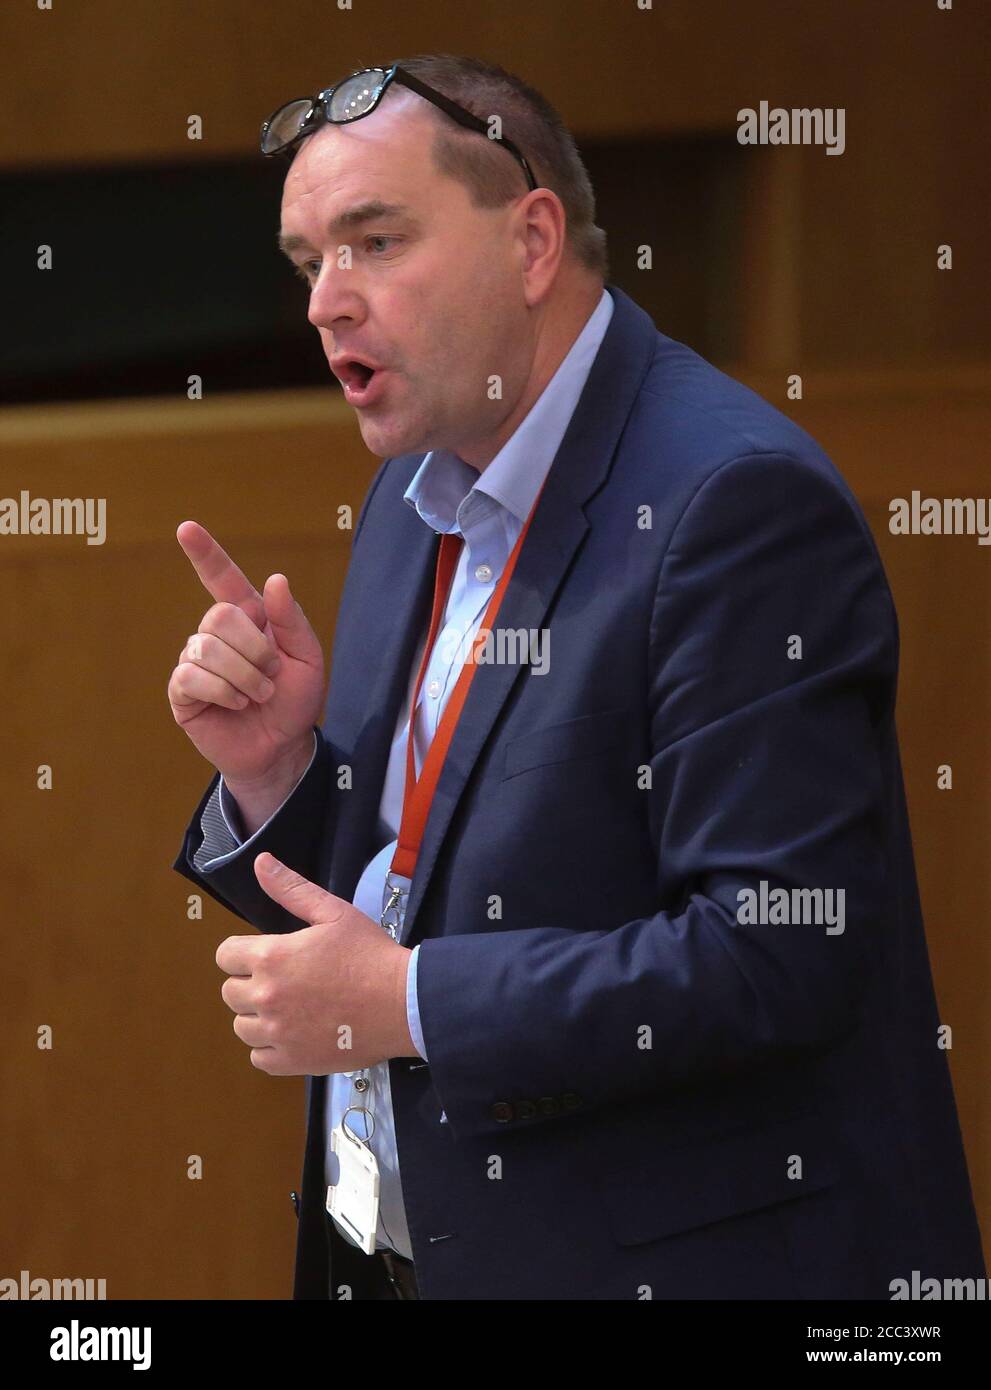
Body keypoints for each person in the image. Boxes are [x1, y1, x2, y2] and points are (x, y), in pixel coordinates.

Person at [170, 54, 986, 1301]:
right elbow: (434, 881)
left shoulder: (732, 506)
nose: (327, 302)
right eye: (308, 263)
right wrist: (282, 771)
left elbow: (778, 951)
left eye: (374, 242)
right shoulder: (411, 487)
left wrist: (413, 1003)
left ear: (534, 239)